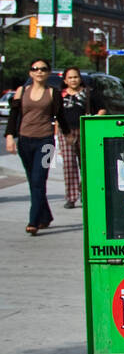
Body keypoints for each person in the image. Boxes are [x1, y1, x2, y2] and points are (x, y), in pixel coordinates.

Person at [4, 61, 68, 234]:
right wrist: (10, 136)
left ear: (48, 73)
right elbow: (13, 115)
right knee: (33, 180)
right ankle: (45, 216)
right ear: (30, 73)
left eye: (43, 69)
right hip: (25, 140)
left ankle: (34, 221)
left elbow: (60, 116)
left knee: (39, 180)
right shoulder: (21, 91)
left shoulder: (53, 93)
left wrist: (67, 136)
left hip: (46, 141)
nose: (39, 72)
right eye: (35, 69)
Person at [57, 66, 105, 208]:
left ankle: (85, 192)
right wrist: (55, 135)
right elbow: (56, 116)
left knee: (86, 163)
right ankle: (71, 197)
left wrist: (96, 118)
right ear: (65, 80)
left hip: (85, 130)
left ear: (80, 78)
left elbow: (102, 109)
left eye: (76, 77)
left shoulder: (89, 93)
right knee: (69, 164)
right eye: (70, 77)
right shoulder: (60, 95)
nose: (73, 80)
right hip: (66, 132)